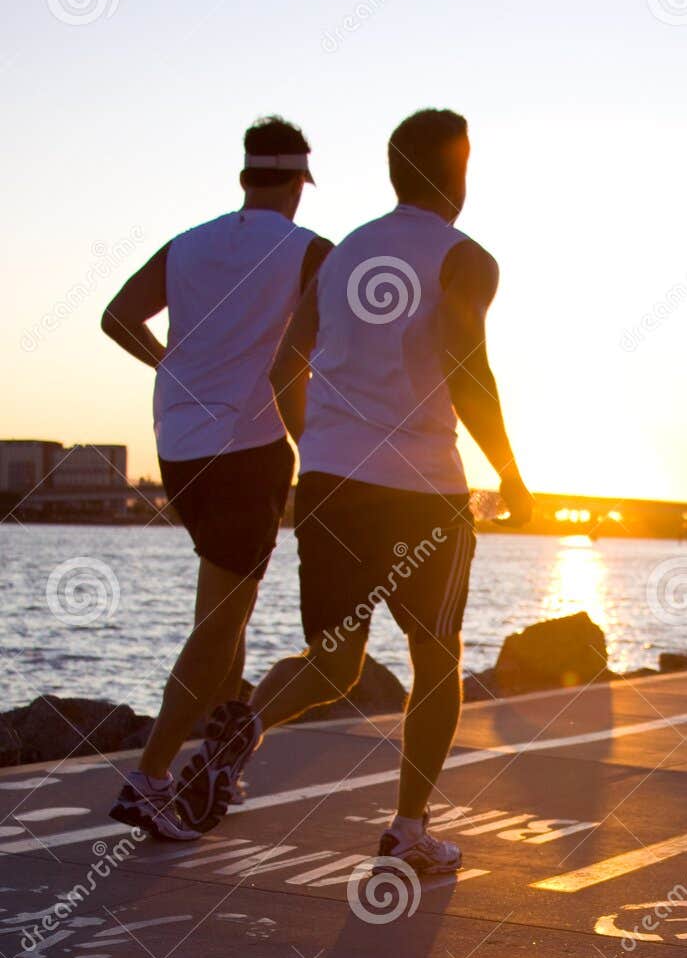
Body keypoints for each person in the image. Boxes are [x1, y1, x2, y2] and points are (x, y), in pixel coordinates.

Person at [174, 108, 533, 876]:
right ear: (458, 172)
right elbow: (469, 370)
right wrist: (510, 471)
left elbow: (281, 368)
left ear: (393, 170)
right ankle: (408, 832)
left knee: (334, 662)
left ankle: (239, 734)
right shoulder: (466, 258)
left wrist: (326, 453)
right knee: (436, 657)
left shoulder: (342, 257)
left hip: (331, 483)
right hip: (421, 491)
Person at [101, 117, 332, 839]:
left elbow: (117, 317)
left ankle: (218, 740)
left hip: (180, 446)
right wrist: (321, 451)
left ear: (242, 177)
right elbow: (300, 364)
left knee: (227, 605)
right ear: (298, 183)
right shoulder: (309, 252)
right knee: (220, 621)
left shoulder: (188, 242)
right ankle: (151, 778)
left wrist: (169, 364)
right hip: (251, 446)